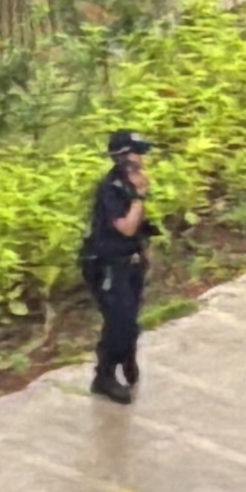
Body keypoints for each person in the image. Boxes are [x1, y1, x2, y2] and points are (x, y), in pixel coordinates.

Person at [81, 130, 155, 405]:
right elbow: (125, 227)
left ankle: (126, 356)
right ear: (124, 158)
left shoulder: (131, 182)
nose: (142, 159)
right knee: (118, 323)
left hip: (130, 262)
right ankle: (104, 377)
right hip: (107, 265)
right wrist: (139, 197)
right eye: (137, 153)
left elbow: (138, 229)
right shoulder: (110, 187)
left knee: (130, 321)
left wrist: (144, 252)